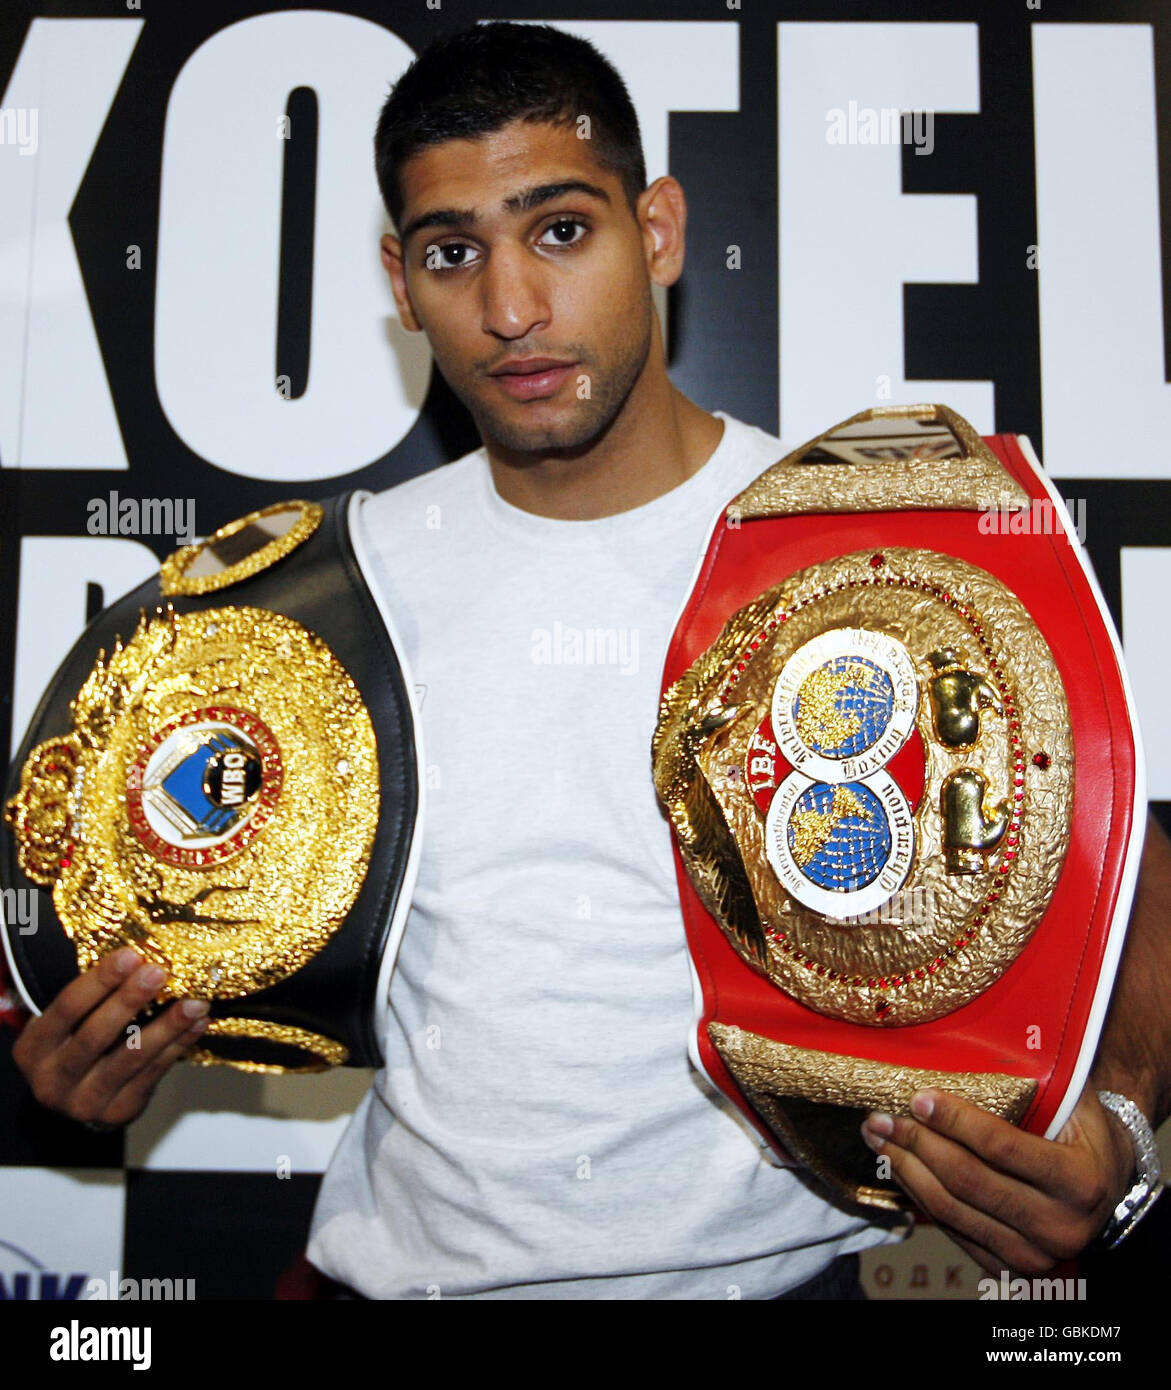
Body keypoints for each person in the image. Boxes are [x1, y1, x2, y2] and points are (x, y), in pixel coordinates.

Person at [10, 21, 1171, 1299]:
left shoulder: (848, 550)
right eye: (455, 253)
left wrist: (1115, 1121)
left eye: (561, 229)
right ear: (401, 282)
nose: (511, 309)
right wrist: (77, 1070)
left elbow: (1126, 863)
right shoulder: (335, 587)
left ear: (657, 230)